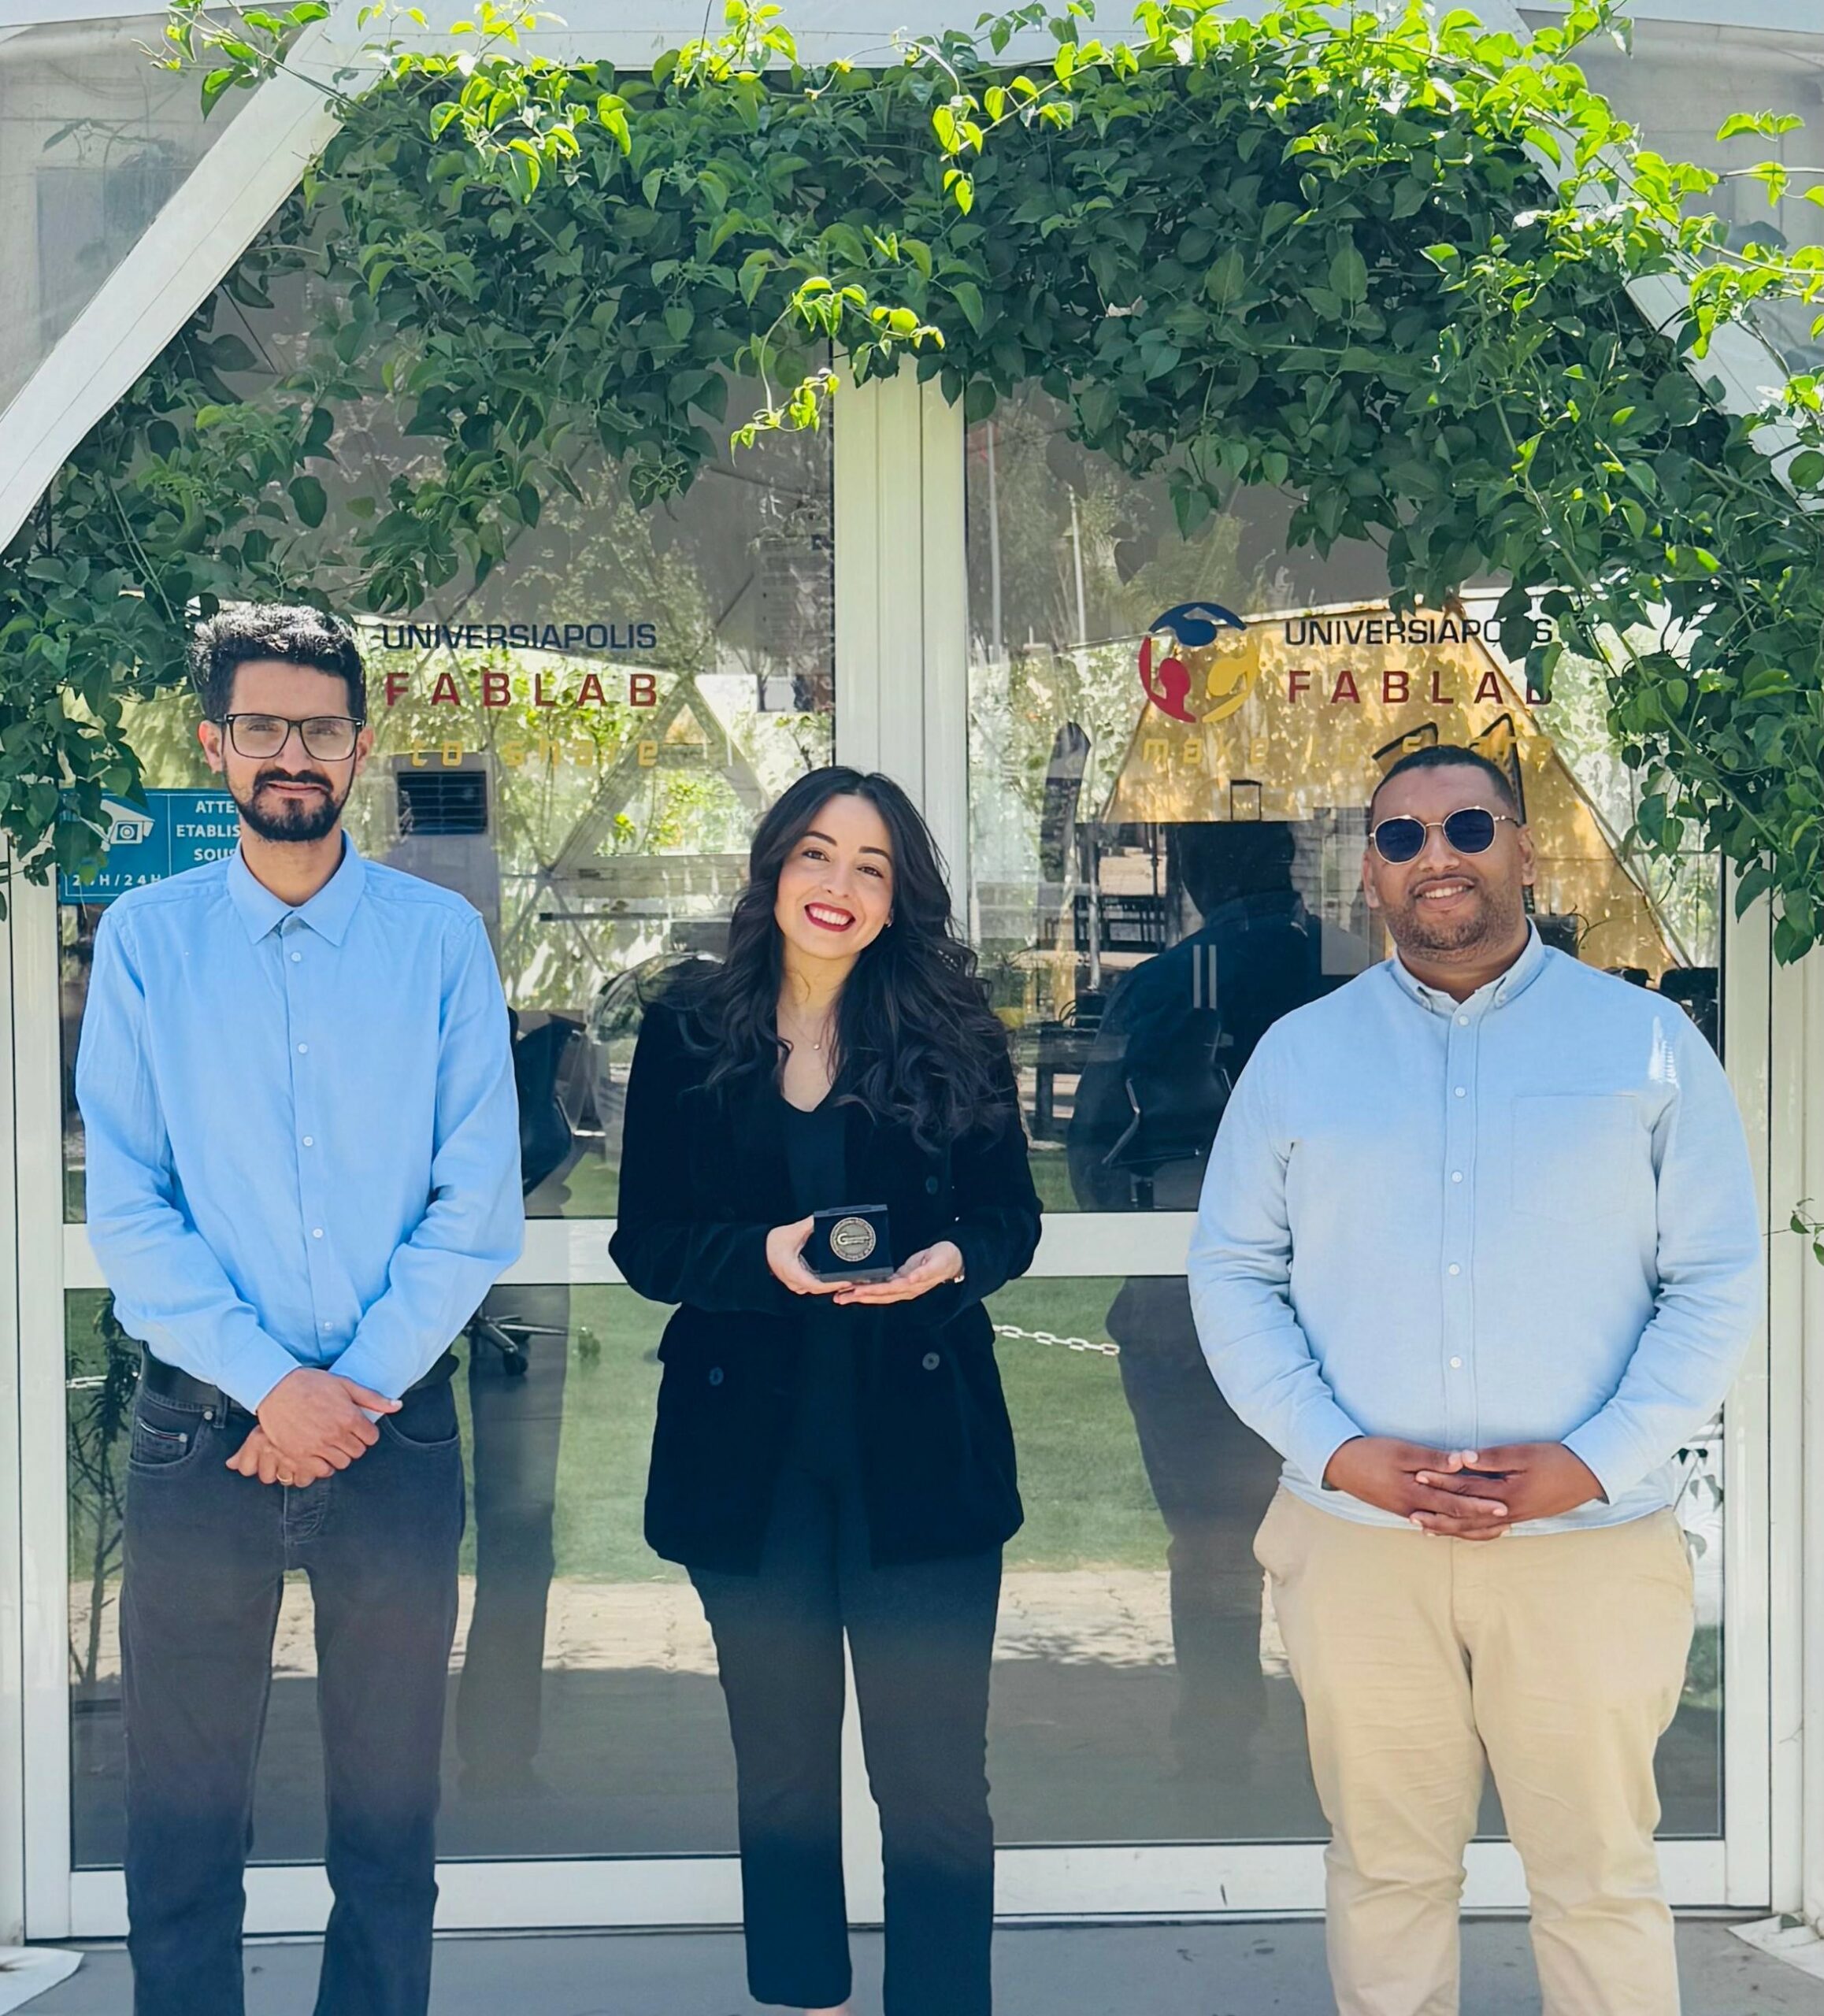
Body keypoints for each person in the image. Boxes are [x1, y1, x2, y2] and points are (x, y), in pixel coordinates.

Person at [1187, 744, 1762, 2016]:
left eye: (1464, 825)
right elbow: (1231, 1275)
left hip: (1590, 1545)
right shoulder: (1300, 1058)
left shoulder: (1646, 1046)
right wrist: (1339, 1451)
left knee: (1599, 1877)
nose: (1433, 855)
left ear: (1525, 849)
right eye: (1399, 838)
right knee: (1387, 1871)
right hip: (1359, 1543)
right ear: (1370, 879)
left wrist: (1591, 1462)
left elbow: (1716, 1282)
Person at [76, 604, 523, 2016]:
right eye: (262, 726)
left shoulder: (437, 941)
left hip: (394, 1445)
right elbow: (131, 1209)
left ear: (360, 747)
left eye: (320, 727)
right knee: (185, 1825)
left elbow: (478, 1207)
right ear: (215, 745)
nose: (292, 752)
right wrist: (274, 1386)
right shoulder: (148, 944)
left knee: (390, 1829)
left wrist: (346, 1393)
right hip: (201, 1444)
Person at [610, 765, 1041, 2016]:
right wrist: (761, 1259)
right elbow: (649, 1243)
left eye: (871, 866)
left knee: (934, 1786)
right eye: (817, 855)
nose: (840, 886)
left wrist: (956, 1259)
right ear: (774, 868)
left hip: (924, 1454)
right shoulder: (690, 1028)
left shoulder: (954, 1029)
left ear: (899, 895)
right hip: (749, 1463)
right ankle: (802, 1996)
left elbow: (1008, 1217)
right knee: (784, 1778)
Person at [1067, 824, 1321, 1765]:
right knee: (1360, 1538)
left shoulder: (1164, 982)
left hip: (1185, 1290)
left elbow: (1094, 1153)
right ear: (1288, 866)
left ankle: (1218, 1738)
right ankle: (1356, 1747)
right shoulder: (1362, 979)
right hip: (1345, 1295)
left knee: (1212, 1539)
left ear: (1196, 873)